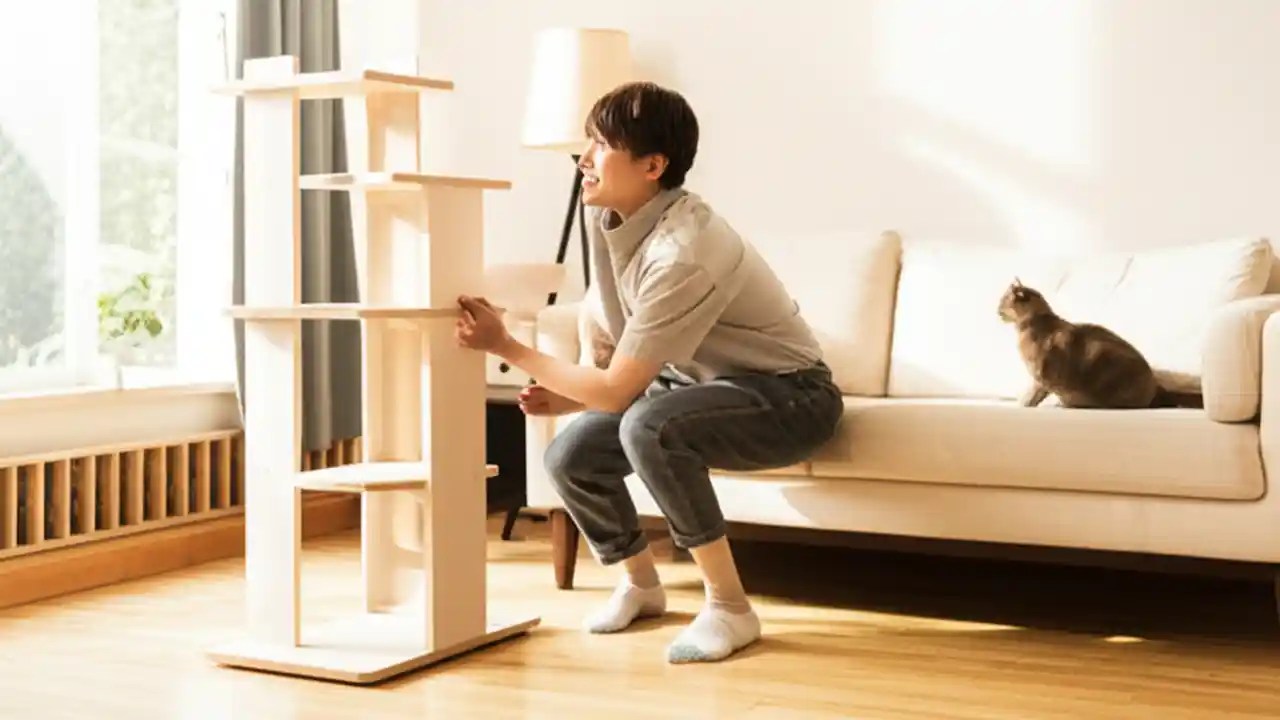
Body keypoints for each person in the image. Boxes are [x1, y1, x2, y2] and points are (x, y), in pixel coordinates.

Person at [454, 81, 842, 664]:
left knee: (650, 428)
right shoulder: (609, 219)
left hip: (790, 397)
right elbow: (615, 348)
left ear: (653, 165)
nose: (583, 159)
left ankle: (731, 609)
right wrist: (568, 395)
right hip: (692, 387)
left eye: (600, 145)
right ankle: (640, 583)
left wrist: (506, 344)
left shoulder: (685, 251)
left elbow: (620, 392)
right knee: (570, 457)